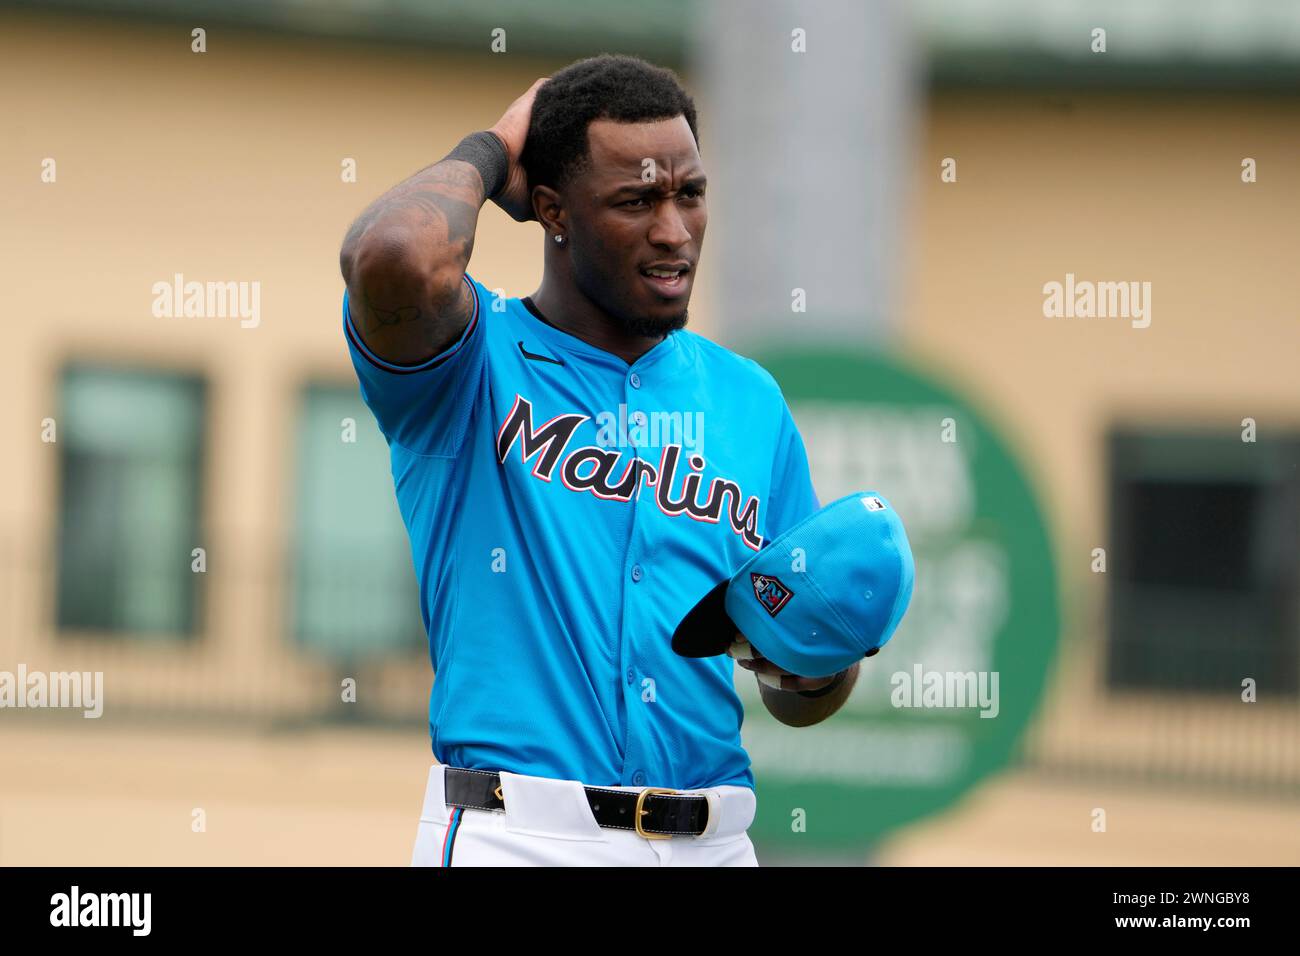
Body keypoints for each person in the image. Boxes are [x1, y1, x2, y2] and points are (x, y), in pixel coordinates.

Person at [339, 54, 858, 866]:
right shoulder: (469, 363)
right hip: (522, 836)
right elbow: (393, 257)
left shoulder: (748, 400)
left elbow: (791, 692)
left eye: (690, 193)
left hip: (713, 841)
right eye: (636, 200)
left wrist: (824, 657)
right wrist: (493, 149)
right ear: (551, 209)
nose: (673, 229)